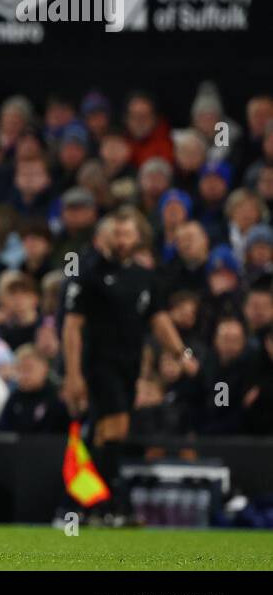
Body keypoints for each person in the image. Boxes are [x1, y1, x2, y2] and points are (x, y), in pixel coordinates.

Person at [61, 208, 198, 521]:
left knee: (106, 433)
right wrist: (73, 374)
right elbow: (72, 327)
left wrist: (182, 354)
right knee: (116, 426)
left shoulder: (144, 278)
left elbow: (160, 320)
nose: (121, 239)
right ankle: (107, 505)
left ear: (138, 238)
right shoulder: (87, 274)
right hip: (98, 362)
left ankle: (85, 505)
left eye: (127, 233)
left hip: (130, 363)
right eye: (116, 233)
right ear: (104, 236)